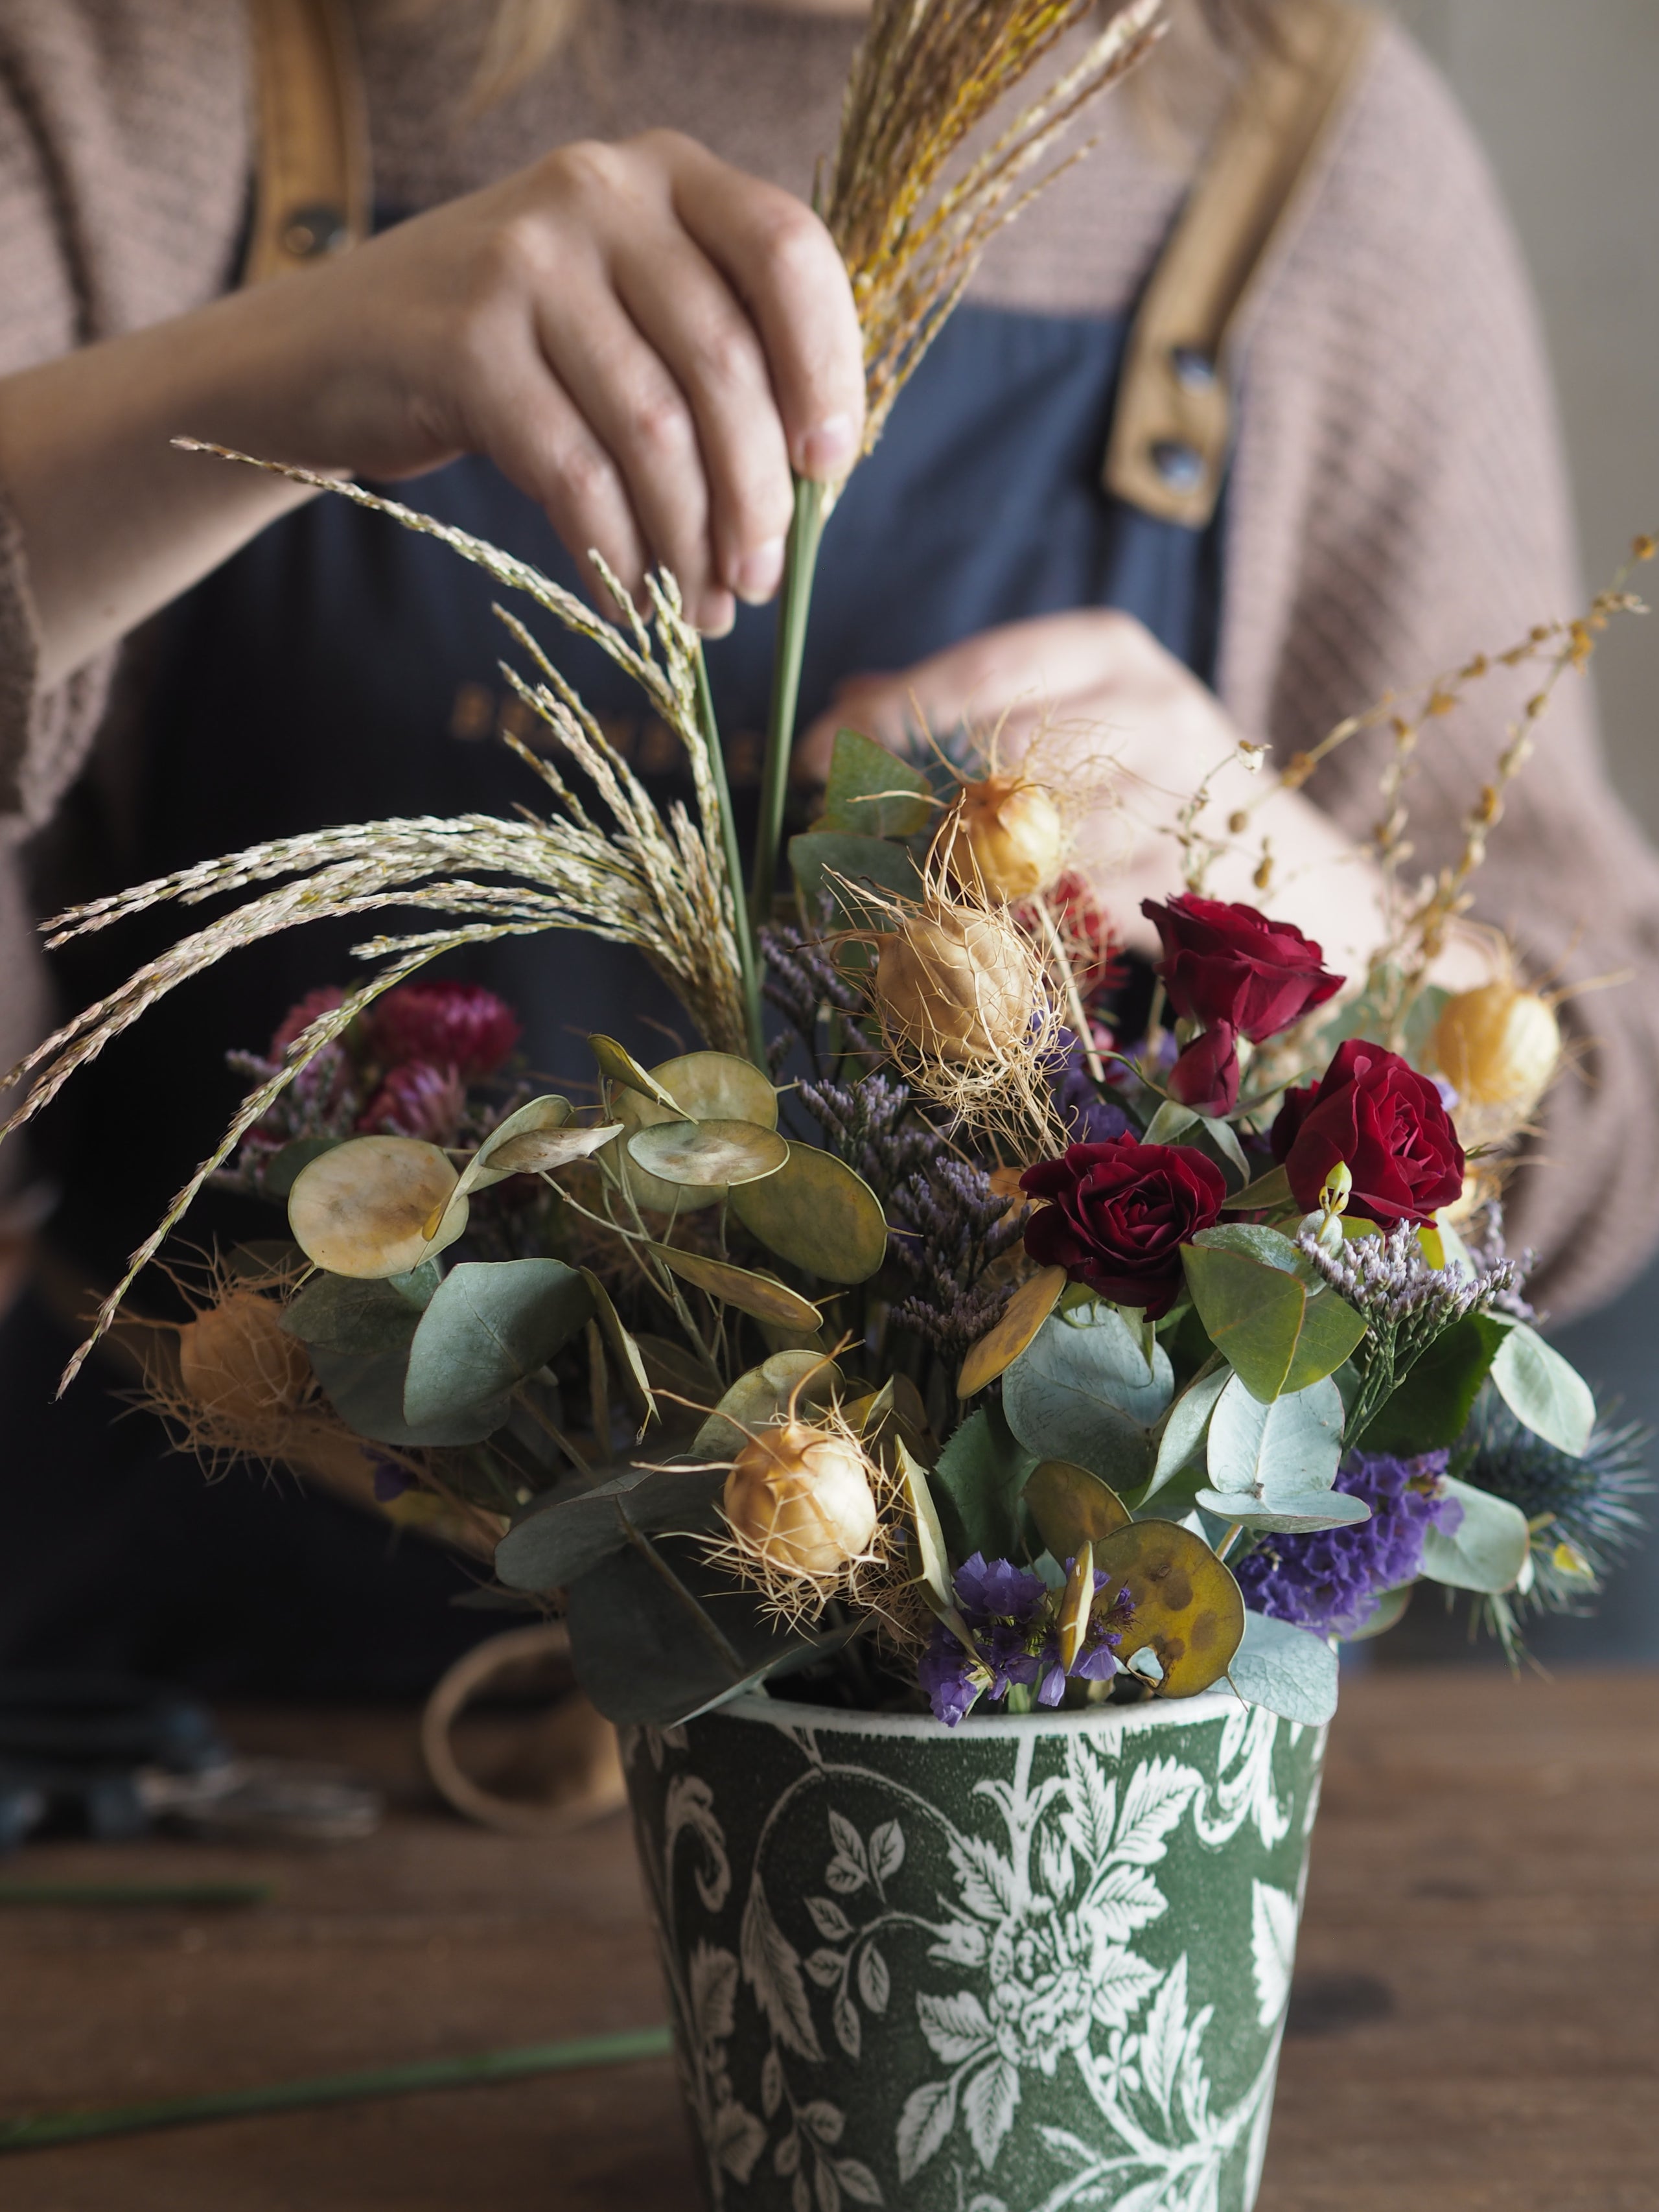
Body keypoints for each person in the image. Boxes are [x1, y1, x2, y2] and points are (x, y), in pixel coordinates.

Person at [1, 0, 1655, 1686]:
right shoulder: (166, 63)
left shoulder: (1308, 148)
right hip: (207, 1704)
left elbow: (1611, 1087)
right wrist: (240, 385)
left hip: (1025, 1757)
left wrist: (1323, 932)